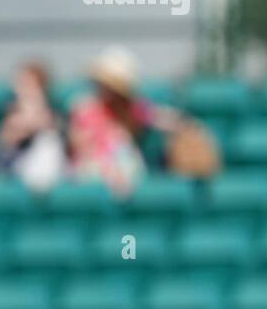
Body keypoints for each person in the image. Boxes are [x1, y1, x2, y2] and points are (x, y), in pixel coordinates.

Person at [67, 46, 183, 198]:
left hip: (126, 172)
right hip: (91, 173)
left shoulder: (132, 109)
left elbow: (169, 120)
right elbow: (76, 143)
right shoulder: (83, 107)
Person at [0, 61, 66, 193]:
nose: (21, 89)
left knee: (48, 142)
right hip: (13, 165)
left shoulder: (52, 111)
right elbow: (4, 141)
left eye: (27, 84)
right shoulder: (12, 111)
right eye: (20, 84)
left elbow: (50, 125)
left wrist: (35, 111)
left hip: (43, 169)